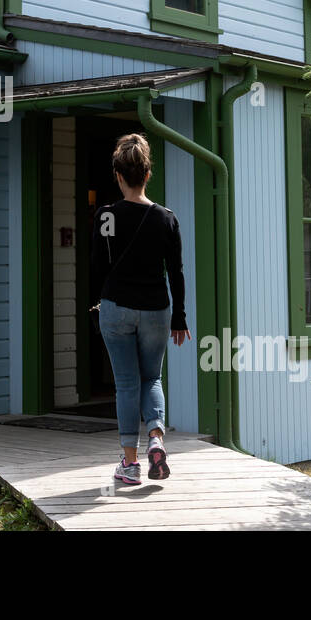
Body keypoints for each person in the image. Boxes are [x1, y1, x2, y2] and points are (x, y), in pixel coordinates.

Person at [89, 132, 191, 486]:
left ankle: (129, 464)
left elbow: (97, 267)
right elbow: (175, 272)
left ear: (118, 176)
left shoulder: (105, 215)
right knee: (152, 378)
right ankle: (157, 439)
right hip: (157, 310)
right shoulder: (167, 219)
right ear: (148, 175)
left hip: (116, 308)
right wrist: (180, 318)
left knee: (127, 384)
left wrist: (99, 303)